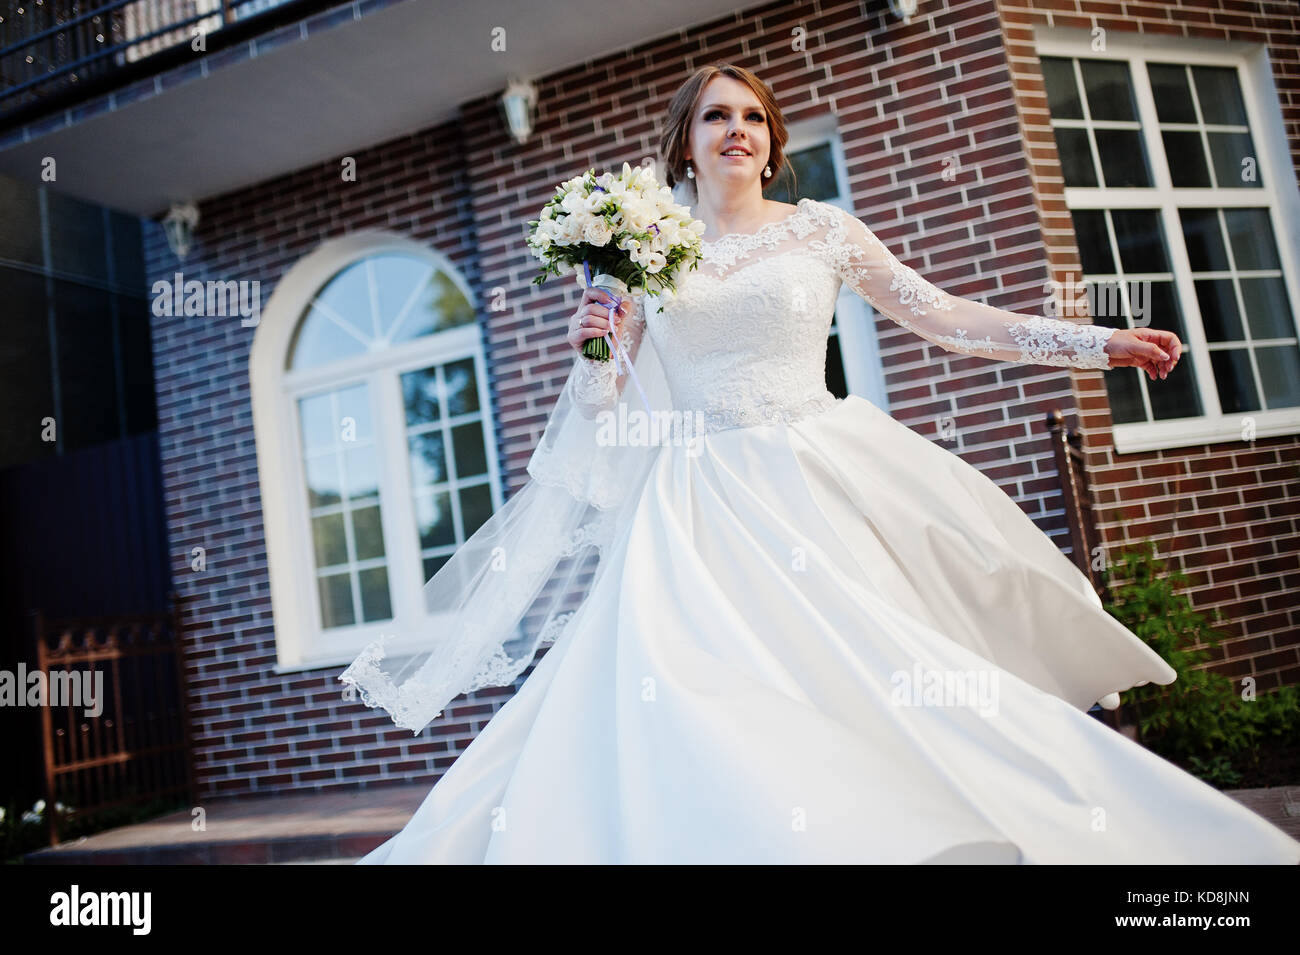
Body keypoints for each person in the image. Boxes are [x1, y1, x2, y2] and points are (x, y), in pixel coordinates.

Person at [341, 64, 1300, 863]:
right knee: (704, 692)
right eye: (717, 116)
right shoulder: (640, 254)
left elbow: (950, 320)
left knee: (880, 669)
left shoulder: (823, 229)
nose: (738, 131)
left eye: (754, 116)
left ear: (773, 138)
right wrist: (594, 342)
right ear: (685, 141)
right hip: (696, 504)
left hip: (820, 472)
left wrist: (1095, 343)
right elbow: (606, 407)